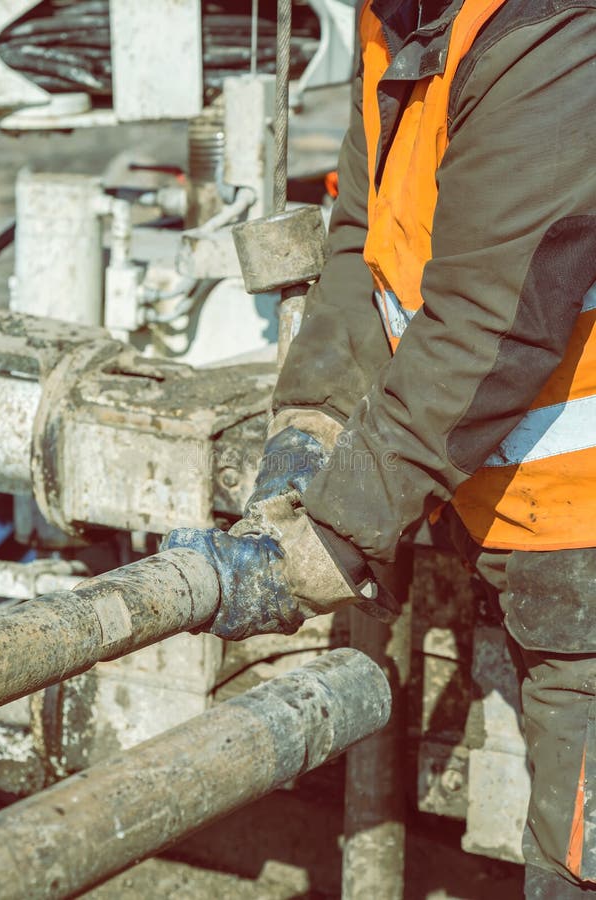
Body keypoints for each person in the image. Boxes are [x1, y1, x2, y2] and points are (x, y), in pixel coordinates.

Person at [164, 0, 596, 895]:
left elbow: (488, 326)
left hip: (582, 523)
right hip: (510, 506)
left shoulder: (558, 32)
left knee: (580, 861)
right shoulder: (397, 21)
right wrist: (312, 418)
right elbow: (366, 247)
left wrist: (326, 537)